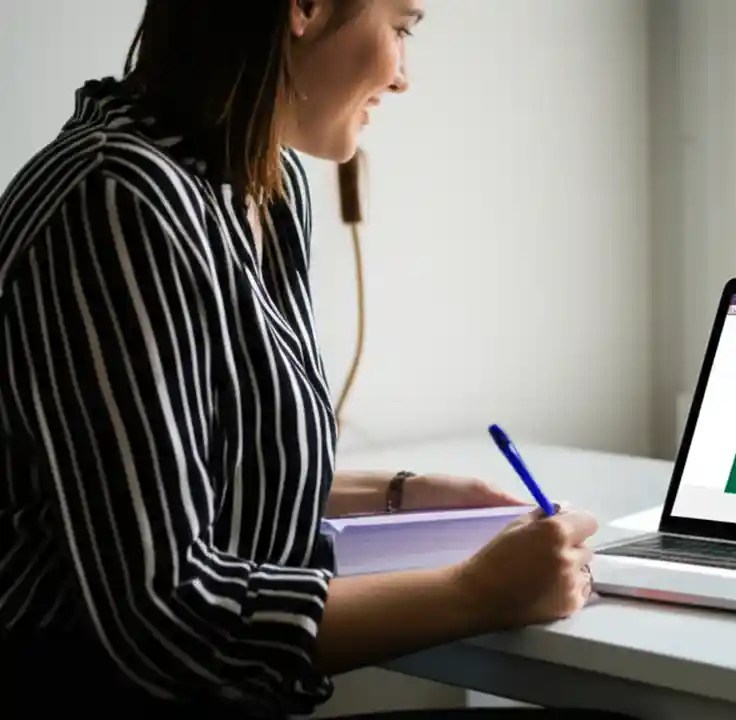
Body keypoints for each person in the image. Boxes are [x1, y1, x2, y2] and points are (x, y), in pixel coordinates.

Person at [0, 1, 622, 717]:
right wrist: (476, 594)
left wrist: (403, 496)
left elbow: (196, 475)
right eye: (401, 28)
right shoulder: (114, 200)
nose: (403, 77)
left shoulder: (260, 187)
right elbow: (166, 618)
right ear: (305, 8)